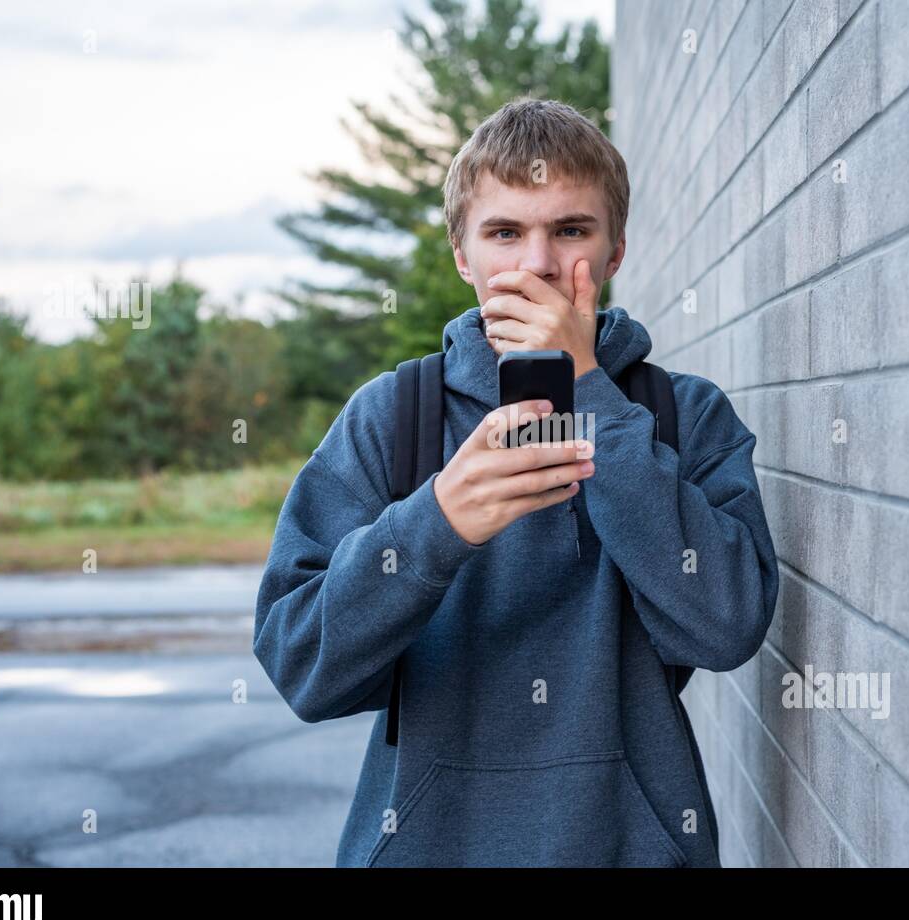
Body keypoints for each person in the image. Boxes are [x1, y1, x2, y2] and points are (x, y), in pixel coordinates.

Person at [253, 97, 779, 867]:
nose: (535, 263)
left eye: (570, 229)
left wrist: (592, 394)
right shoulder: (392, 416)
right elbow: (303, 664)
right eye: (504, 232)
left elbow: (728, 624)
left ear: (615, 251)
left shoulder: (683, 413)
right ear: (463, 256)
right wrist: (435, 525)